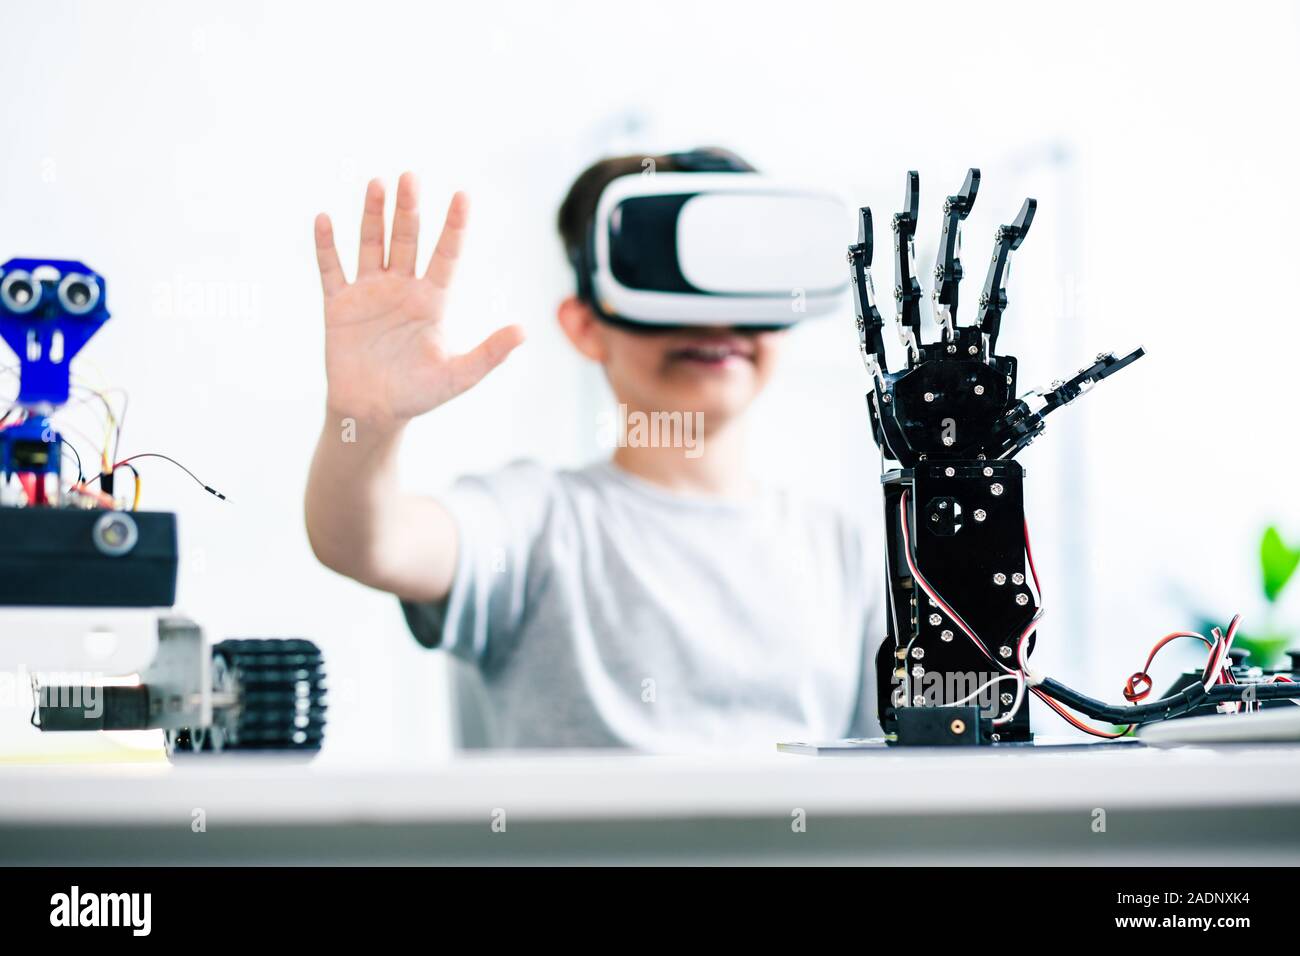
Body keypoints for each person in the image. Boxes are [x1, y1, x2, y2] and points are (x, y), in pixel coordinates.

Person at [304, 149, 882, 750]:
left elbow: (904, 779)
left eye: (742, 284)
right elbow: (367, 542)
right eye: (665, 281)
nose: (717, 324)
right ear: (584, 325)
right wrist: (362, 423)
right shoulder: (536, 524)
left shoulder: (848, 554)